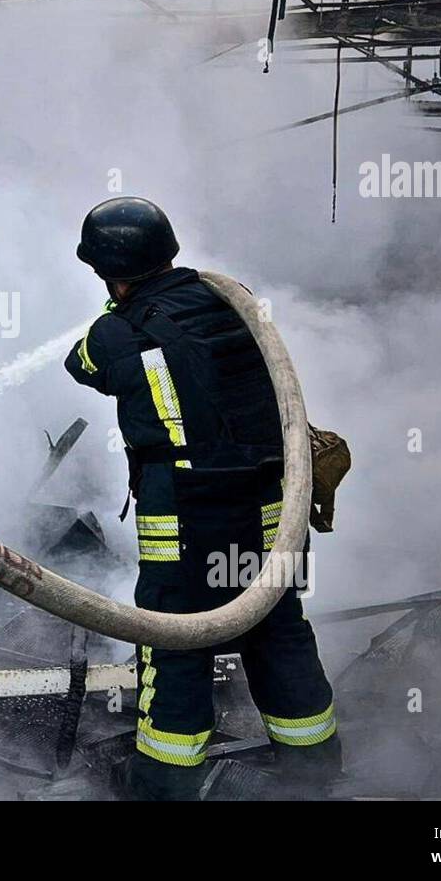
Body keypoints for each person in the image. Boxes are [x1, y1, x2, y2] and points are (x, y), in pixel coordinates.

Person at [65, 196, 340, 801]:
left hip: (185, 515)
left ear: (109, 271)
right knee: (276, 625)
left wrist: (120, 314)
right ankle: (315, 766)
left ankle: (165, 782)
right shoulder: (230, 300)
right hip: (270, 505)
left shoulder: (116, 333)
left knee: (174, 635)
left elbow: (80, 364)